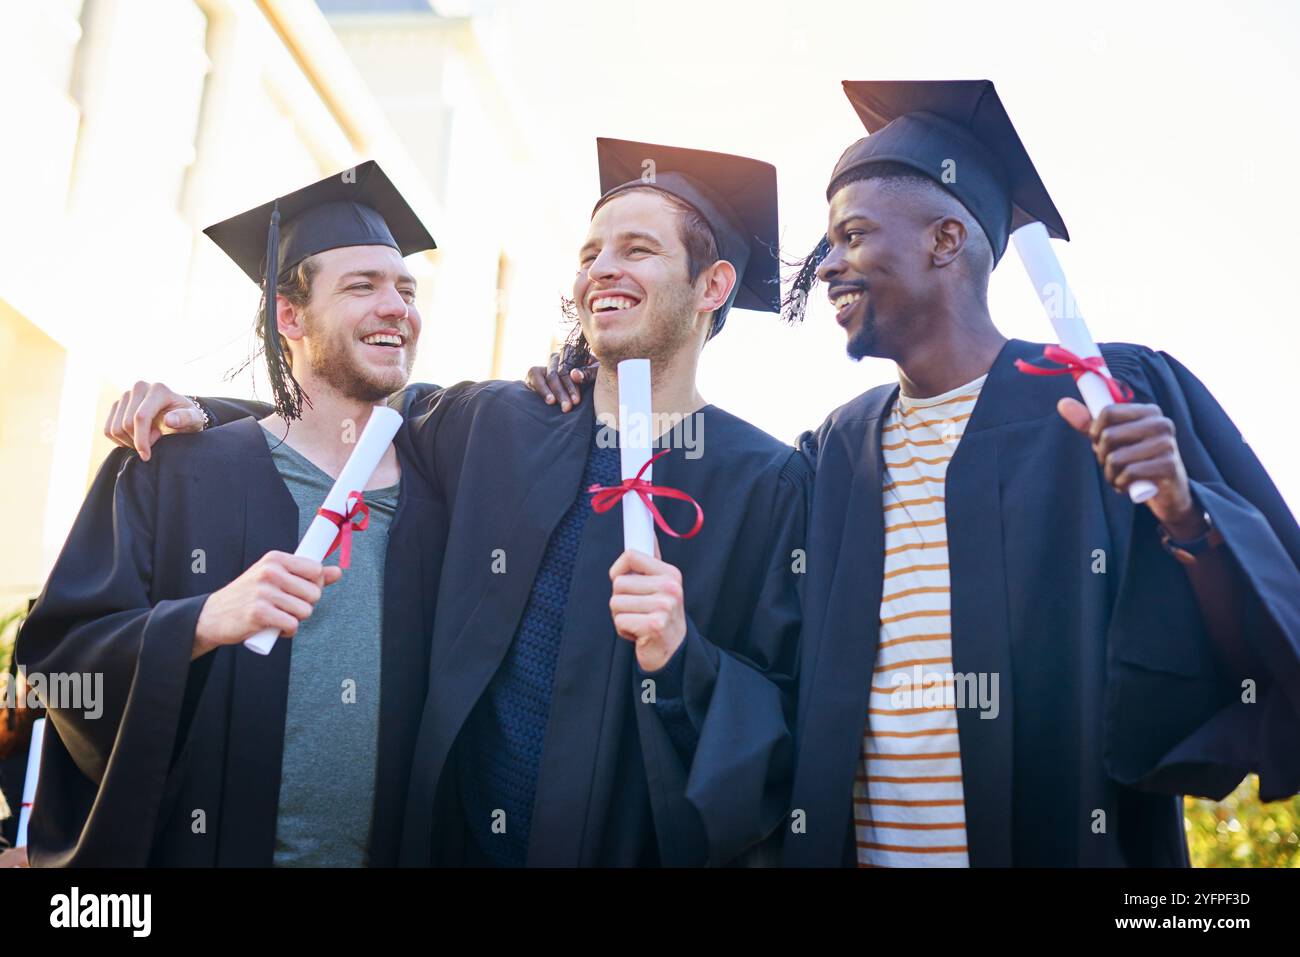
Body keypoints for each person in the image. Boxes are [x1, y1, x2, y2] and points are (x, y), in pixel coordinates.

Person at [123, 139, 808, 867]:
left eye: (638, 249)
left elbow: (790, 729)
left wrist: (682, 656)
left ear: (713, 285)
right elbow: (346, 428)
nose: (601, 269)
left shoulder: (768, 482)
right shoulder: (497, 422)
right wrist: (201, 414)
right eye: (589, 252)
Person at [776, 80, 1300, 866]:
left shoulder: (1110, 395)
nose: (828, 267)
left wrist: (1186, 515)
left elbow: (1253, 657)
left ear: (945, 240)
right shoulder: (838, 449)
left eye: (851, 236)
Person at [16, 162, 447, 866]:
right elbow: (56, 664)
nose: (395, 306)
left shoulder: (442, 487)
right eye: (362, 286)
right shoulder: (174, 471)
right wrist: (197, 622)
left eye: (405, 288)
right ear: (289, 315)